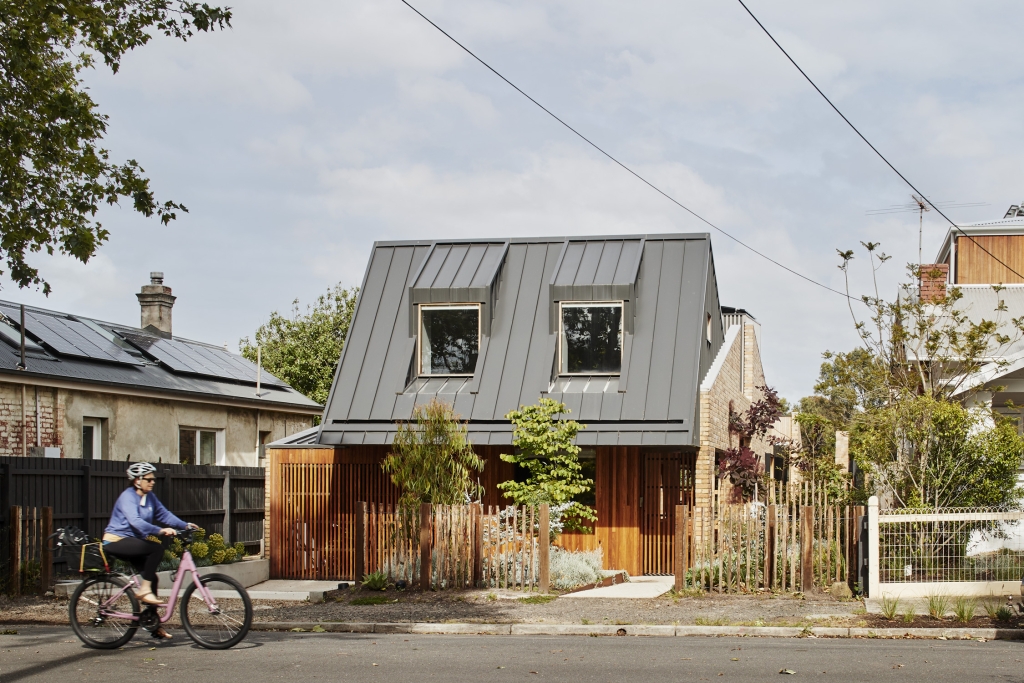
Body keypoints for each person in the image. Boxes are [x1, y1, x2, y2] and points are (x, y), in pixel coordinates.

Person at [103, 462, 197, 639]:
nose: (152, 482)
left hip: (133, 541)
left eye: (153, 479)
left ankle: (153, 624)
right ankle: (144, 590)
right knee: (156, 549)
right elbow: (136, 522)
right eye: (149, 479)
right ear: (137, 481)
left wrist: (185, 525)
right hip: (116, 541)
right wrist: (160, 531)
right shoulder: (128, 497)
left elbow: (164, 514)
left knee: (152, 577)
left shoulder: (150, 497)